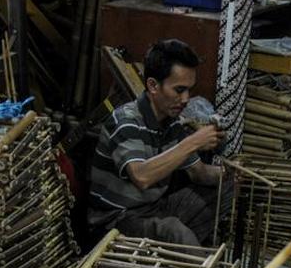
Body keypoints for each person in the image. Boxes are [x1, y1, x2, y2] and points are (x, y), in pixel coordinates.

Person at [88, 39, 225, 246]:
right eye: (179, 90)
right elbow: (142, 176)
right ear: (153, 85)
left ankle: (189, 250)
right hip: (116, 220)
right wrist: (193, 142)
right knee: (174, 231)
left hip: (154, 209)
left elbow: (199, 173)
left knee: (227, 186)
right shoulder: (126, 120)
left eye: (189, 90)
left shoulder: (172, 123)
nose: (186, 98)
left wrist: (229, 174)